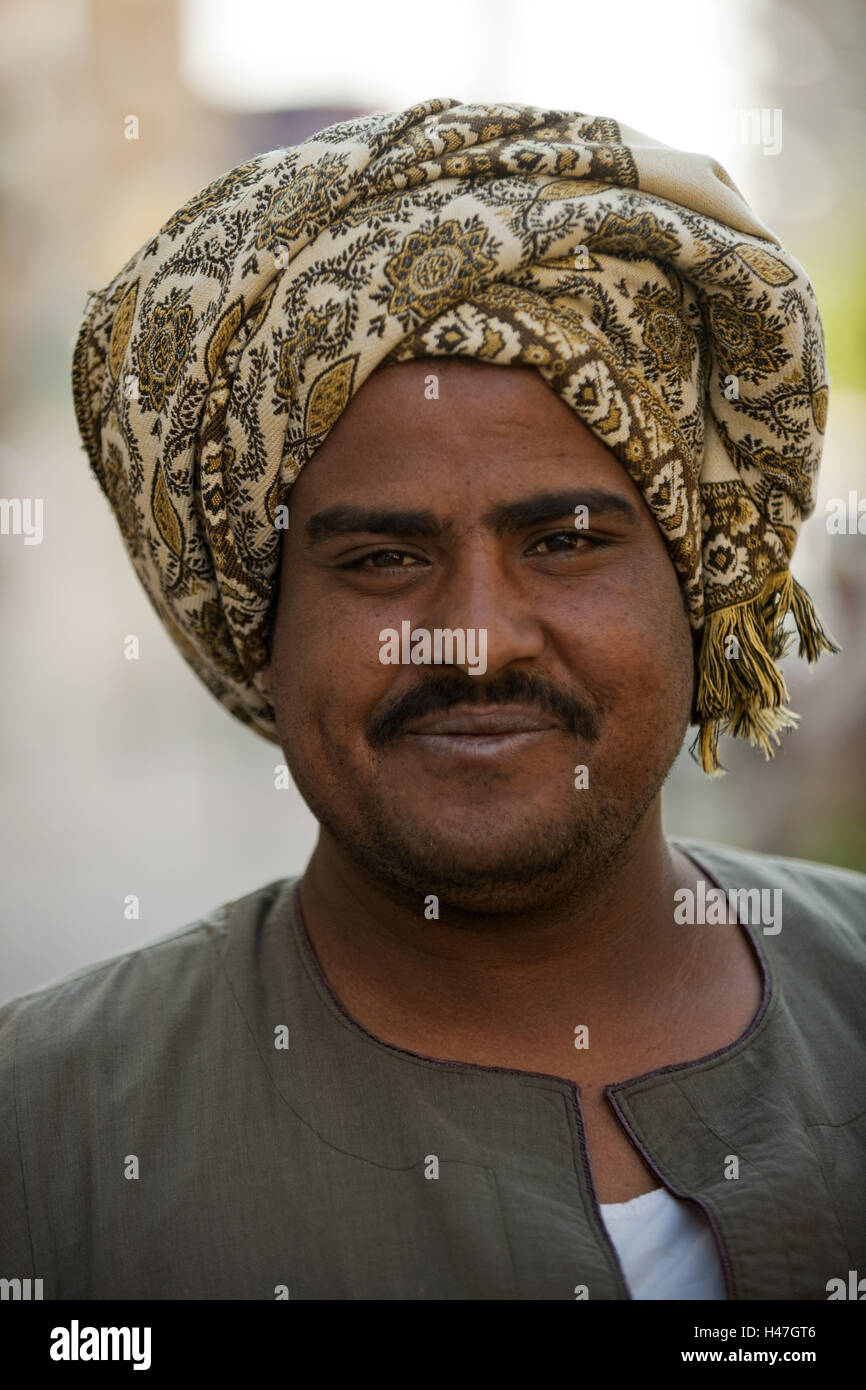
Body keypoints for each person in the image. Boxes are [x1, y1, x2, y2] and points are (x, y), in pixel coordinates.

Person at [2, 98, 864, 1301]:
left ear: (694, 576)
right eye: (380, 560)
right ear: (263, 627)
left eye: (563, 542)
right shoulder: (49, 1135)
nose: (476, 640)